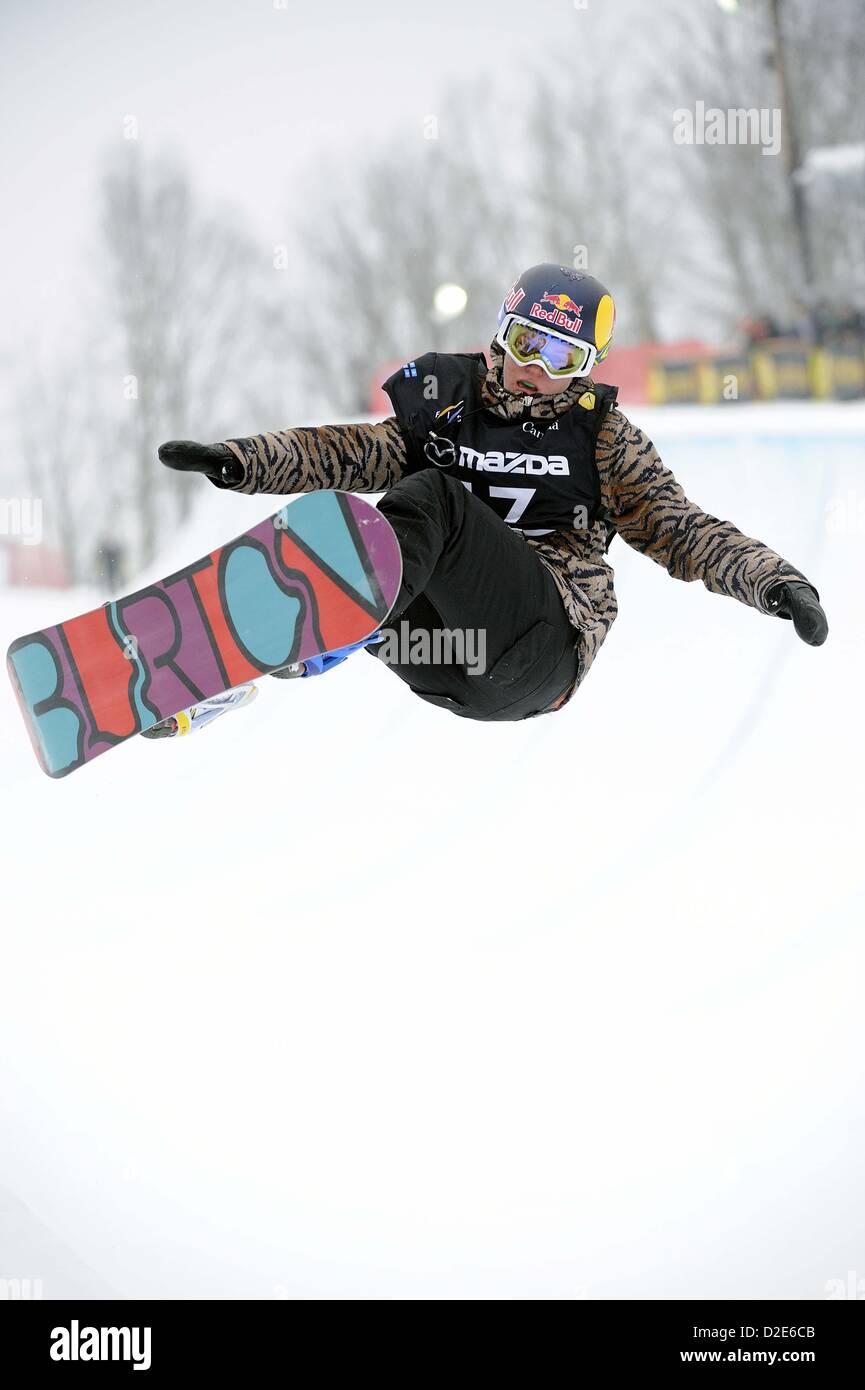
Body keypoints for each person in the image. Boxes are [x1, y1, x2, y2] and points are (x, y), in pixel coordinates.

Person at [154, 262, 827, 736]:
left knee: (430, 496)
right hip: (440, 656)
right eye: (527, 345)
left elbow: (681, 531)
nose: (535, 370)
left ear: (584, 370)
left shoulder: (602, 438)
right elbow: (344, 453)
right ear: (501, 334)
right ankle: (215, 673)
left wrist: (777, 584)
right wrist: (240, 461)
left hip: (536, 653)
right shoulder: (449, 405)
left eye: (561, 360)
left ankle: (341, 625)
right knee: (336, 523)